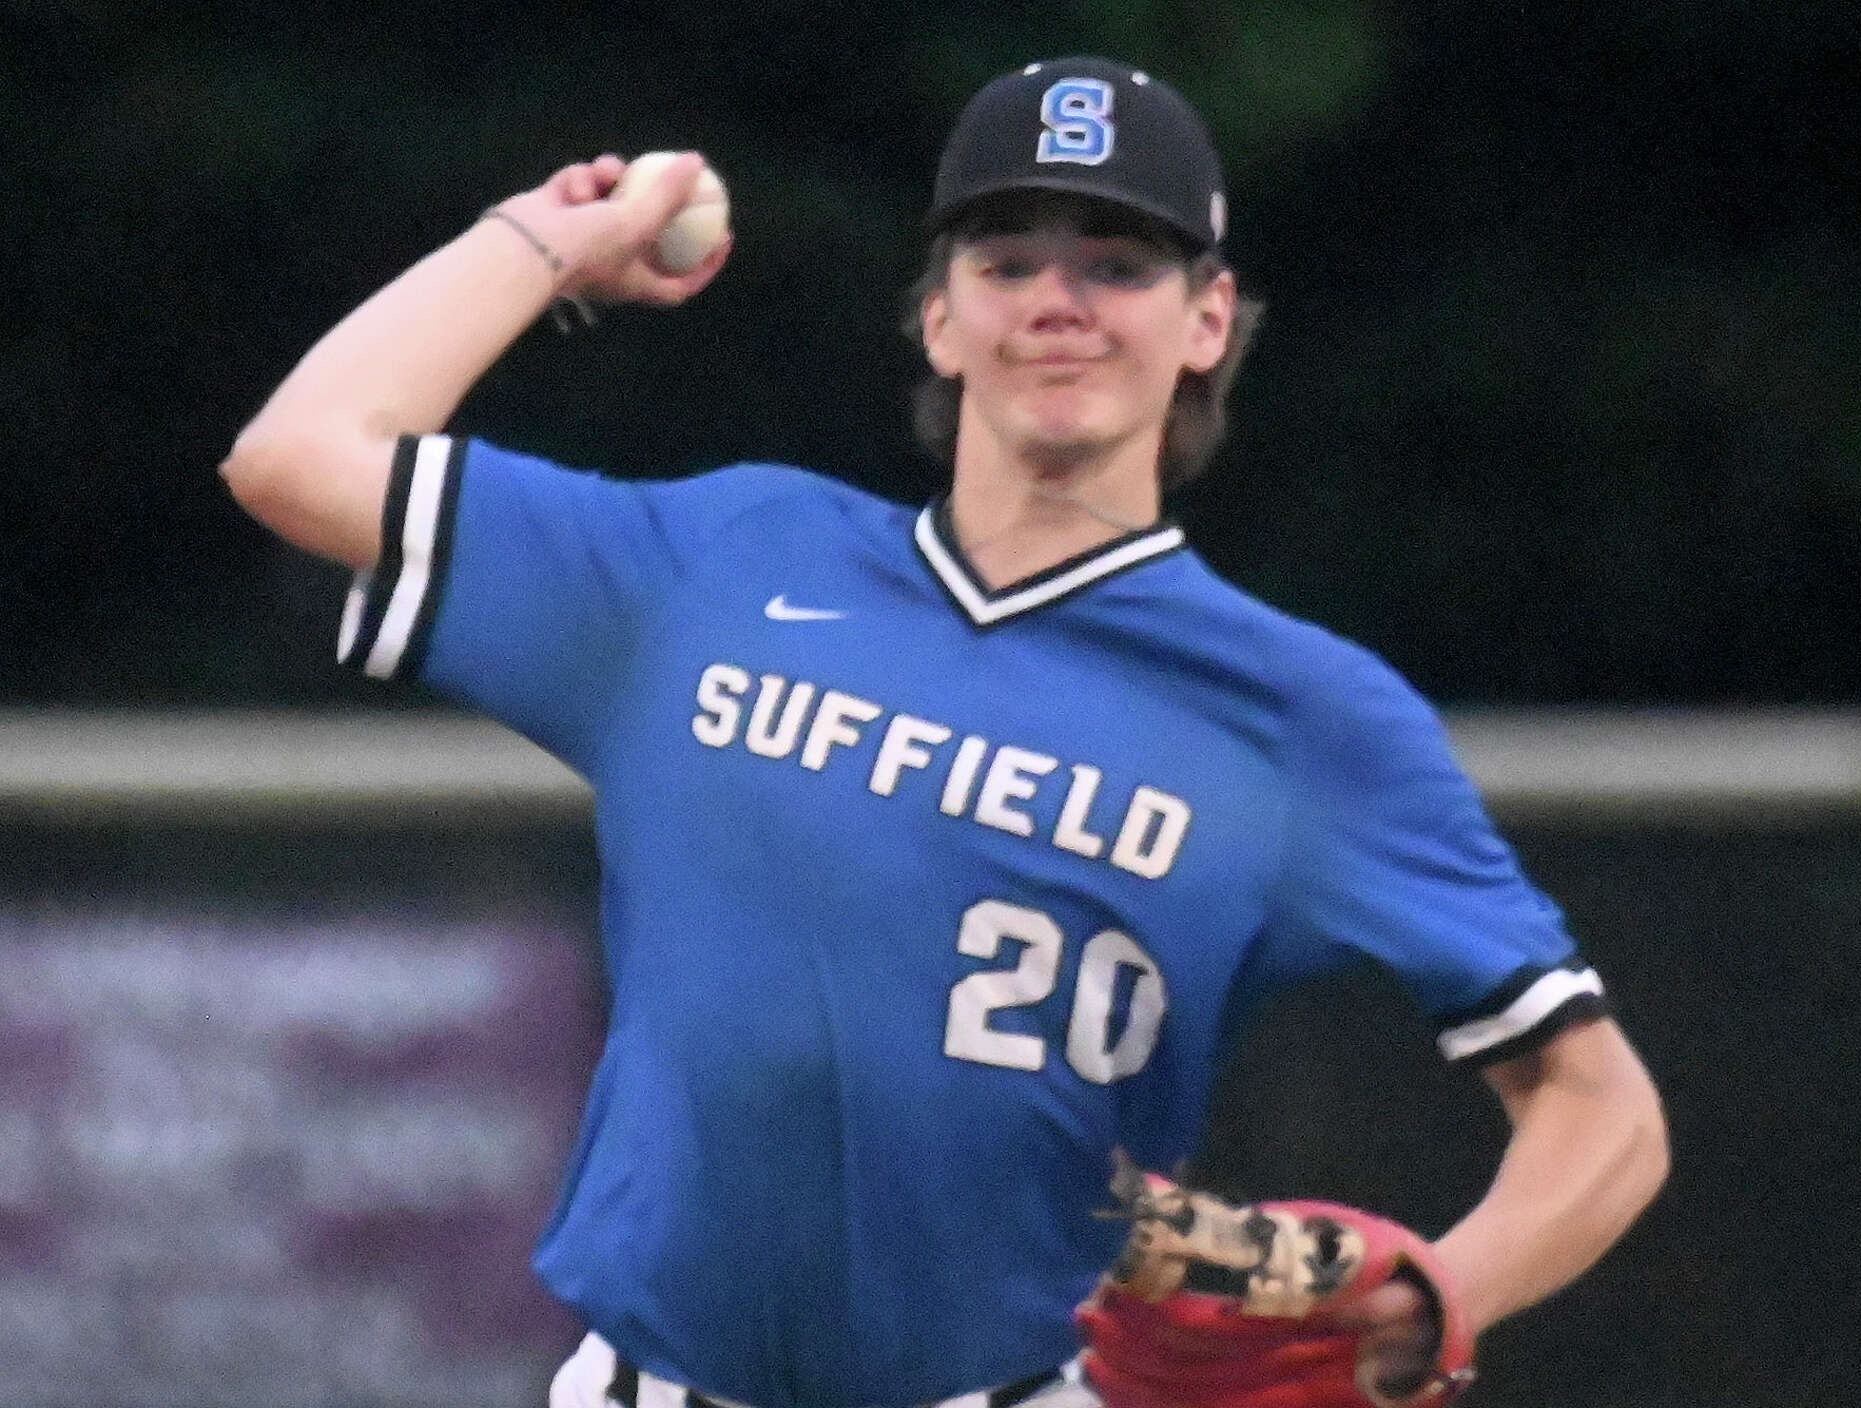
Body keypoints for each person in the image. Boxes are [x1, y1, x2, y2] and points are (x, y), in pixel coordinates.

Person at [223, 56, 1668, 1408]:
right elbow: (299, 456)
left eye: (1119, 263)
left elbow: (1600, 1110)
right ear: (938, 316)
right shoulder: (726, 559)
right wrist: (543, 240)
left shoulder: (1301, 717)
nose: (1060, 299)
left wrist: (1433, 1302)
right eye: (1007, 259)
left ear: (1206, 321)